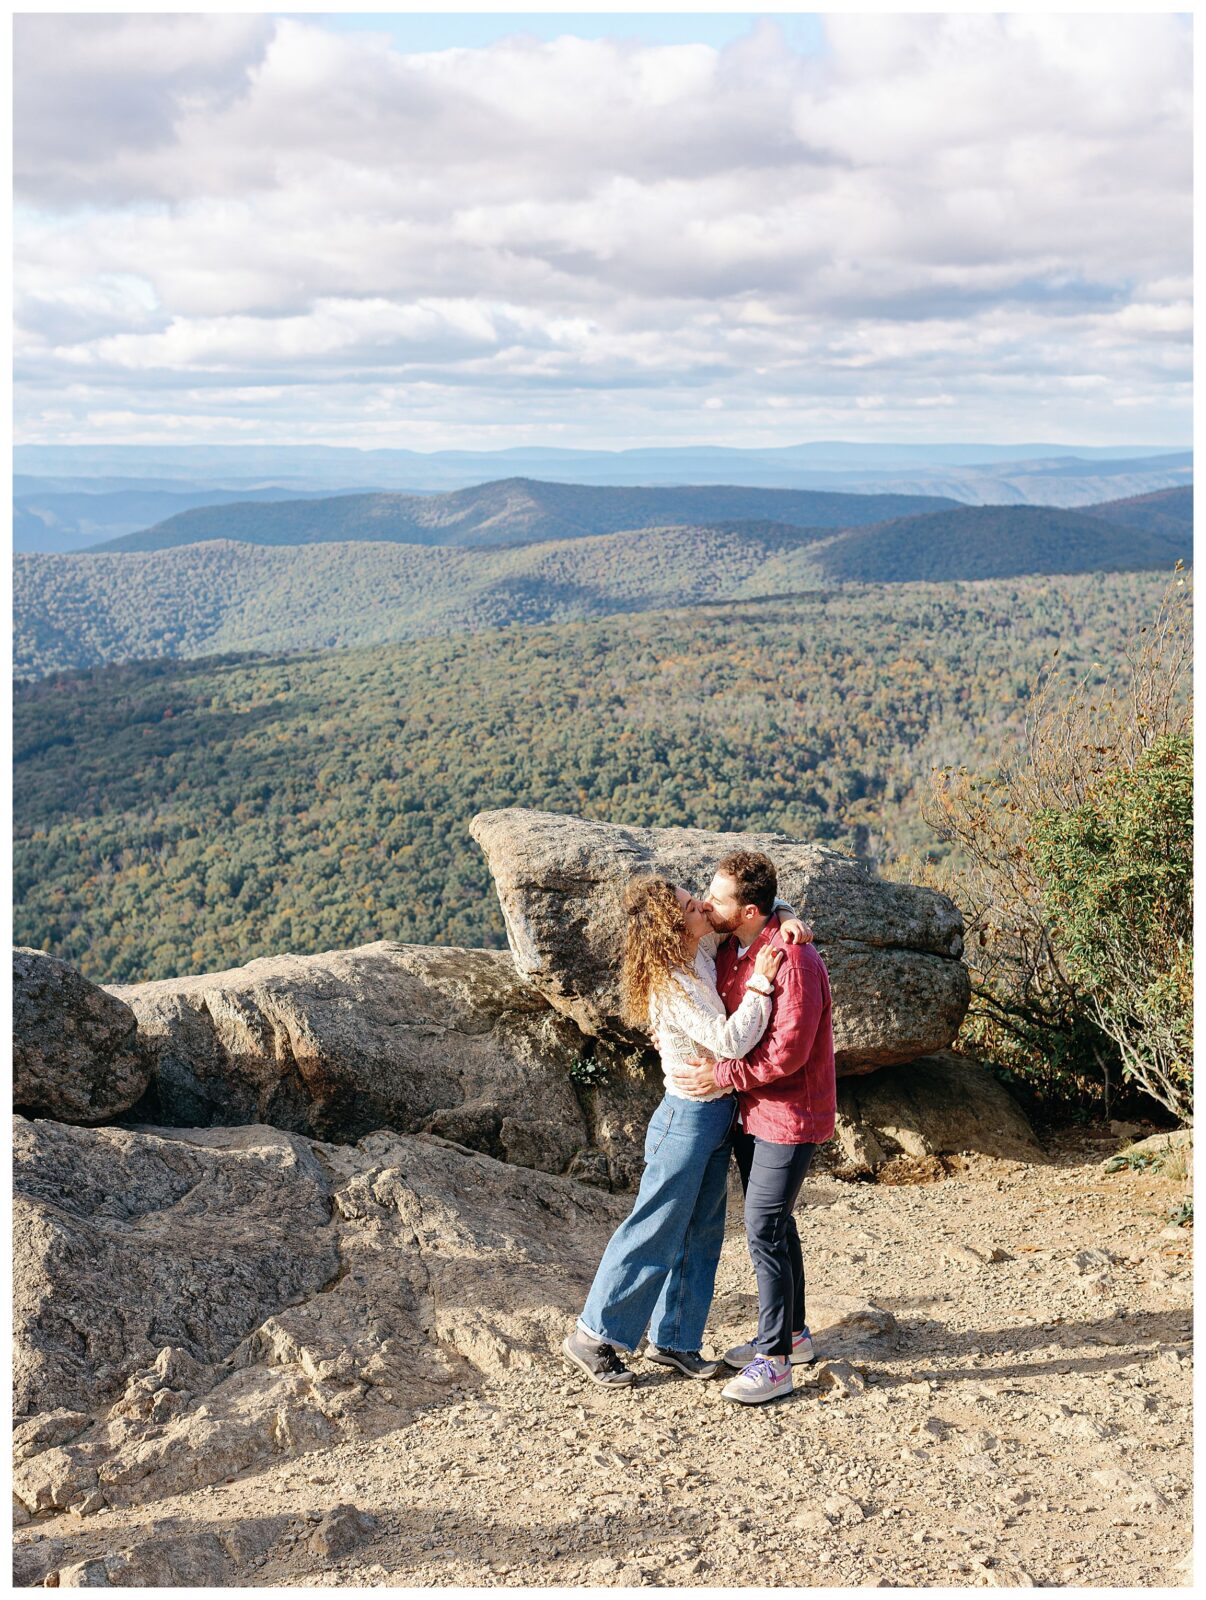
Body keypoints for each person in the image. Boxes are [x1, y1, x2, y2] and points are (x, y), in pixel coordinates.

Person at [562, 876, 811, 1389]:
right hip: (686, 1117)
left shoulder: (700, 947)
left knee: (701, 1230)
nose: (703, 906)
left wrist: (785, 915)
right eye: (692, 906)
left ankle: (674, 1340)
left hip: (717, 1114)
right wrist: (761, 983)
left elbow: (752, 908)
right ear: (672, 926)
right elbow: (729, 1041)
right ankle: (593, 1334)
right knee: (653, 1226)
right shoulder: (673, 981)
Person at [672, 850, 835, 1405]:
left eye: (716, 898)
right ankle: (794, 1336)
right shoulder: (731, 946)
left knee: (763, 1228)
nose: (706, 903)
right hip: (751, 1111)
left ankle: (775, 1362)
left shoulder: (794, 960)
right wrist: (784, 909)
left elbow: (788, 1054)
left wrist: (721, 1075)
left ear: (746, 911)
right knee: (778, 1225)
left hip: (789, 1114)